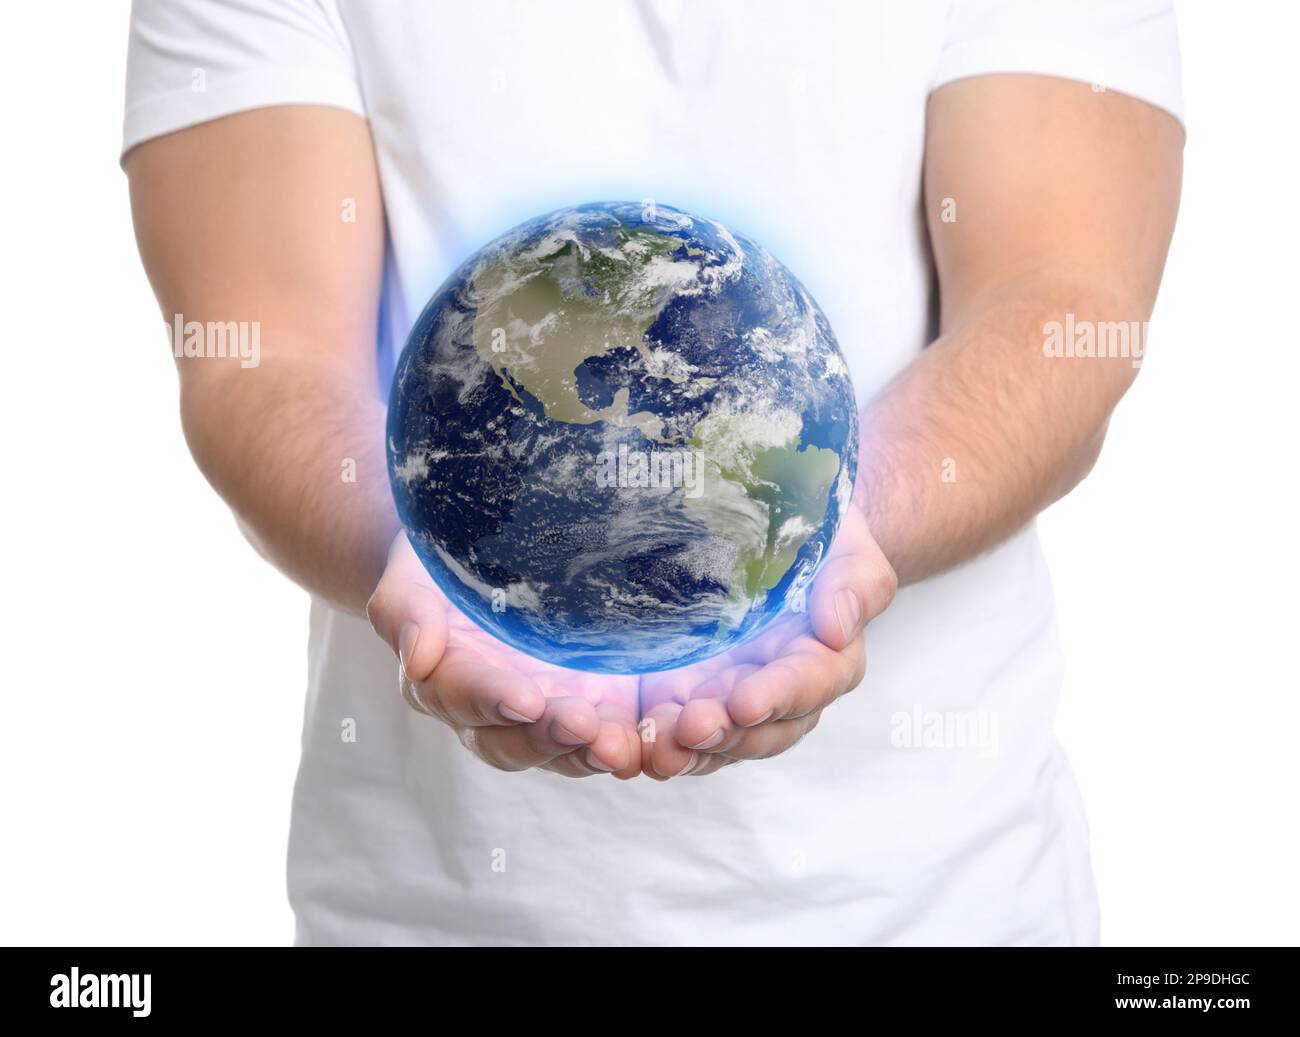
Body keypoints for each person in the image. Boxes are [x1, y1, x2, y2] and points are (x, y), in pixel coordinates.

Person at [123, 0, 1183, 945]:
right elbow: (259, 353)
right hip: (424, 910)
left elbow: (1059, 304)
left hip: (942, 901)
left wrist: (834, 533)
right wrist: (409, 558)